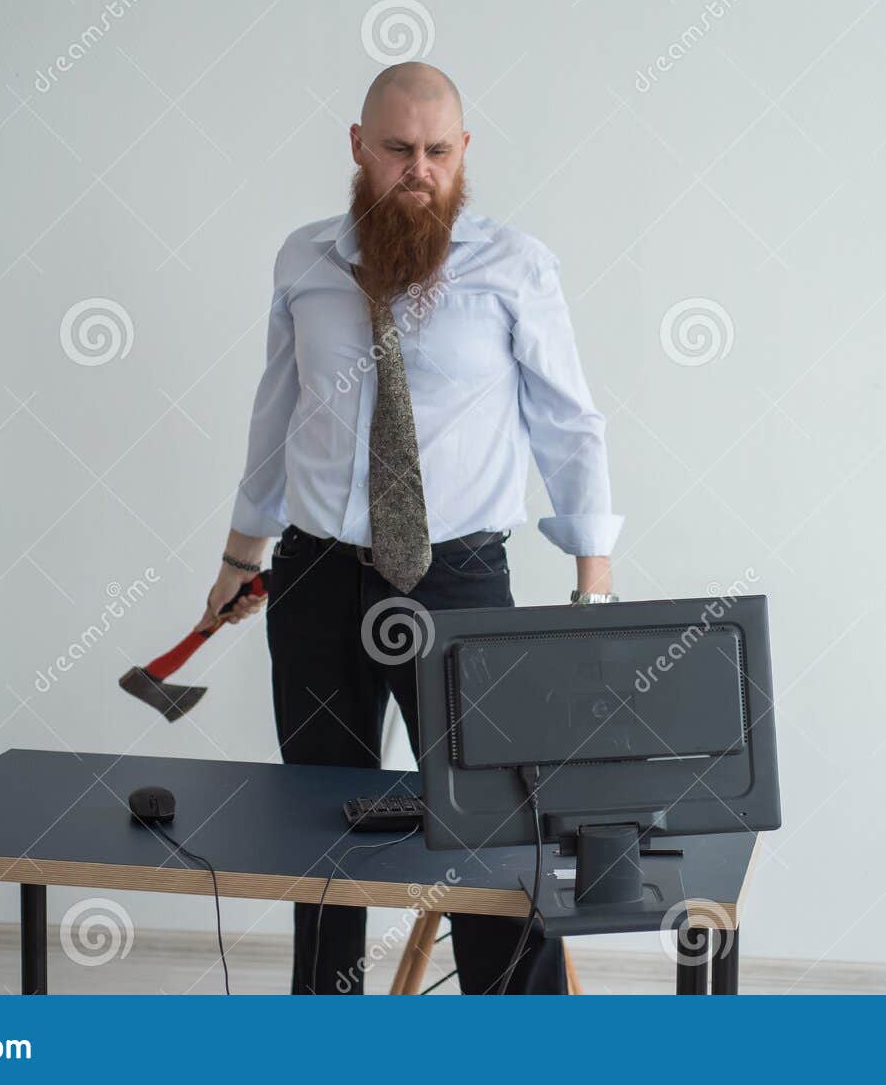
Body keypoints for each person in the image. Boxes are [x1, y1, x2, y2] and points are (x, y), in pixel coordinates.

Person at [201, 61, 622, 994]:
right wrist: (241, 553)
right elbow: (277, 412)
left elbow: (569, 423)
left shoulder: (514, 265)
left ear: (464, 151)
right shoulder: (305, 261)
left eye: (437, 151)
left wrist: (593, 582)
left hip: (457, 584)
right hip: (315, 581)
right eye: (398, 150)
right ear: (359, 147)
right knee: (318, 831)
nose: (419, 170)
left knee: (493, 834)